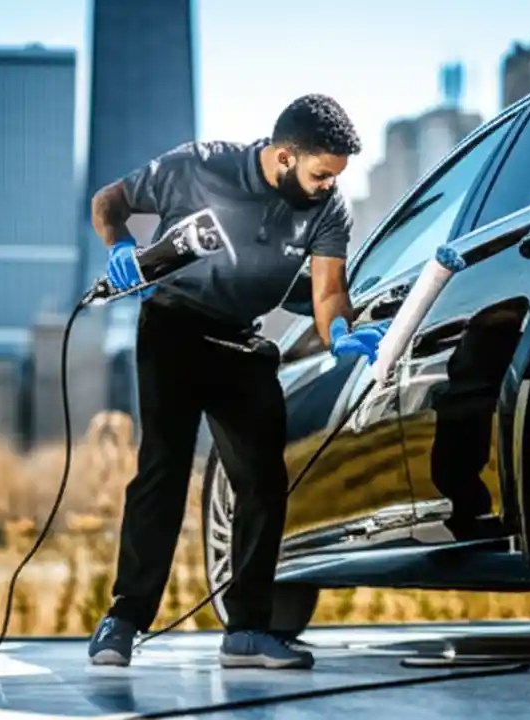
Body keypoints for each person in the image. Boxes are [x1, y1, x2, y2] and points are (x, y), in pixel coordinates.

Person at [85, 94, 386, 670]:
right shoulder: (196, 166)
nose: (328, 186)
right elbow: (108, 203)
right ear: (283, 158)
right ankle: (123, 619)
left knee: (263, 480)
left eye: (335, 177)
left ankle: (247, 631)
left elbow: (326, 292)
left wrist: (341, 330)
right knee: (163, 470)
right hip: (173, 327)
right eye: (321, 174)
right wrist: (120, 245)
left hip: (241, 341)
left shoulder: (328, 208)